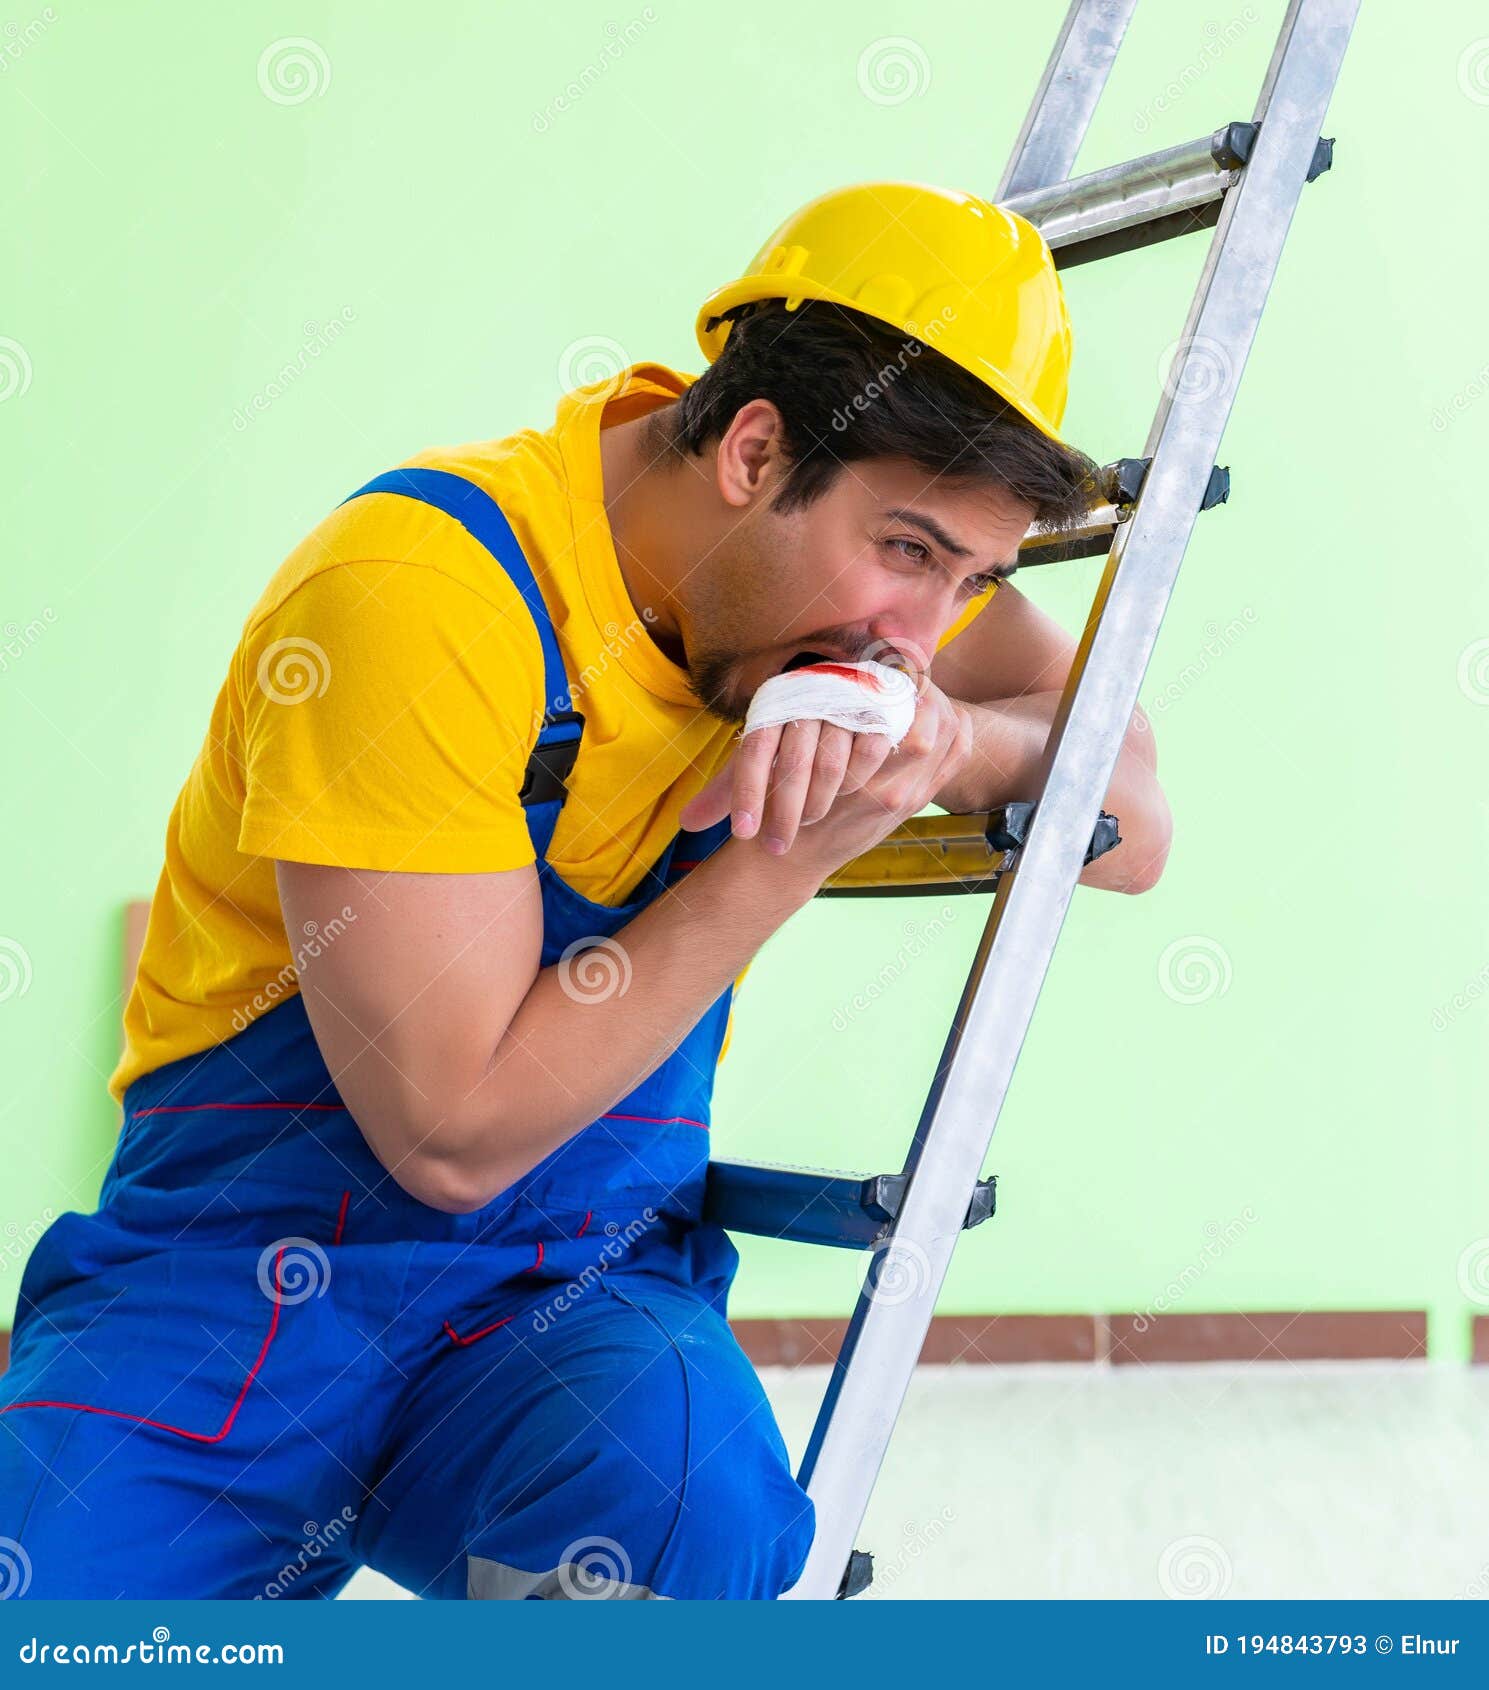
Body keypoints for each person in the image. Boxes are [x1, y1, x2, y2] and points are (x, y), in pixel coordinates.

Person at [0, 181, 1171, 1599]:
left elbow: (1135, 812)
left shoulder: (881, 590)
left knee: (687, 1493)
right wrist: (787, 854)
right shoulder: (424, 593)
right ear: (751, 449)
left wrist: (954, 742)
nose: (918, 632)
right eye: (907, 553)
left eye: (970, 580)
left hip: (569, 1295)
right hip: (224, 1284)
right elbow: (448, 1132)